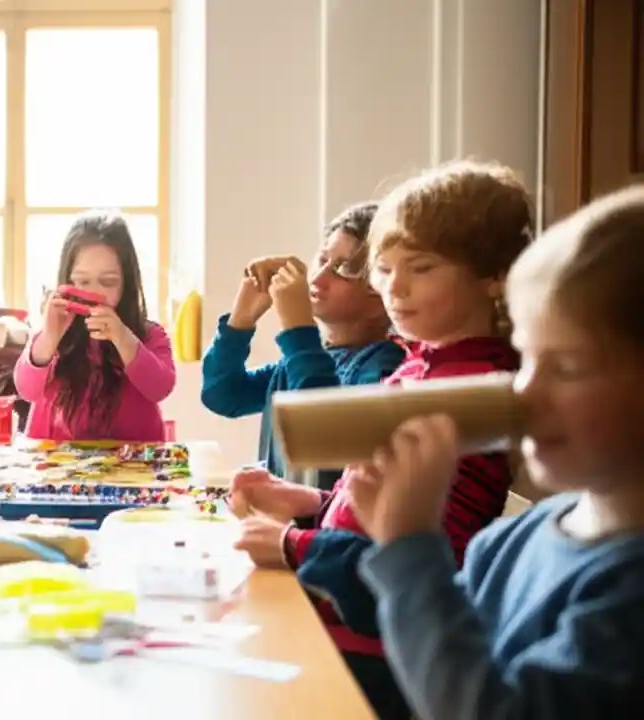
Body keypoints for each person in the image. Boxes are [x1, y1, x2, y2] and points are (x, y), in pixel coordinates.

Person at [231, 161, 532, 719]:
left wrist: (292, 545)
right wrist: (310, 503)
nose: (395, 286)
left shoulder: (470, 395)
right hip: (348, 621)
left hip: (380, 654)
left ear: (493, 274)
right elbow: (386, 504)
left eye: (420, 268)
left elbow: (423, 555)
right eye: (386, 268)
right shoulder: (419, 369)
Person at [351, 184, 644, 719]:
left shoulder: (629, 590)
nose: (525, 392)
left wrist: (410, 546)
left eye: (569, 367)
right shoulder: (512, 540)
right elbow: (440, 658)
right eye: (529, 359)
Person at [201, 203, 404, 488]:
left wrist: (298, 328)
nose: (319, 278)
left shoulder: (385, 367)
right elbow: (222, 394)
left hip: (319, 529)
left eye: (344, 269)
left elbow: (322, 436)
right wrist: (241, 320)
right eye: (322, 260)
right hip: (282, 526)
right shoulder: (299, 361)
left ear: (379, 294)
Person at [13, 212, 176, 441]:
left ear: (127, 283)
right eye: (83, 282)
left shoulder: (150, 335)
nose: (94, 293)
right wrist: (49, 337)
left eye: (108, 282)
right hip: (56, 468)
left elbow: (161, 388)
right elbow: (26, 389)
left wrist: (123, 338)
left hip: (132, 468)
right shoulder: (57, 334)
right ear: (67, 280)